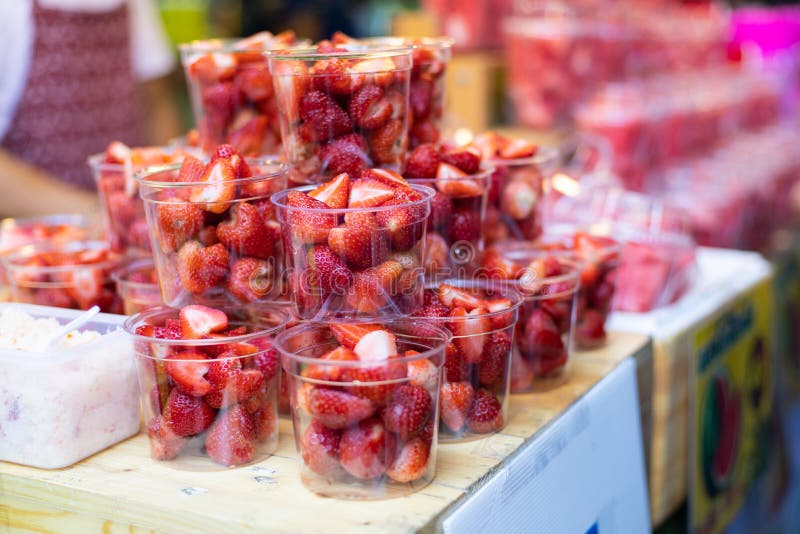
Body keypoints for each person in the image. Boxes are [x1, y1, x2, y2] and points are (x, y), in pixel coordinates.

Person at [0, 0, 181, 217]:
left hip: (132, 225)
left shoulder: (135, 5)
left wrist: (170, 196)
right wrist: (97, 213)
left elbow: (157, 104)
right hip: (38, 236)